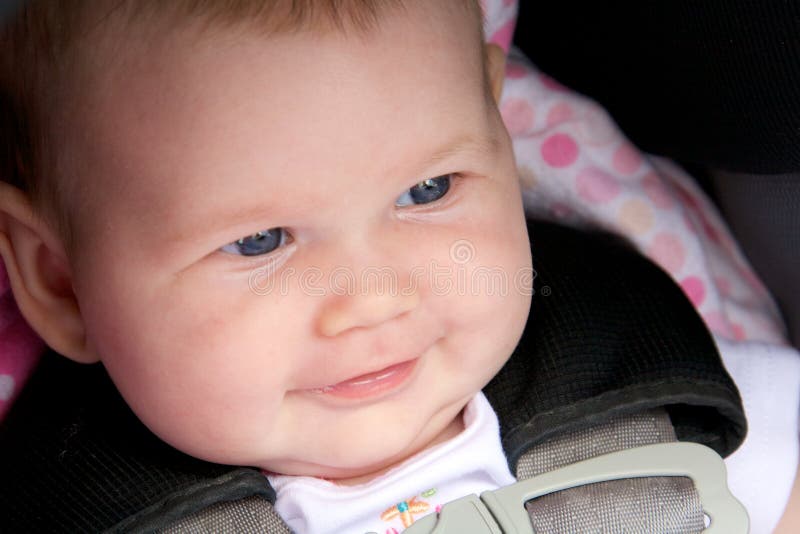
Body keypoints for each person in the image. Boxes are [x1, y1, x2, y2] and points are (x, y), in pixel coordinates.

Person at [0, 1, 795, 532]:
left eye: (427, 190)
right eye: (260, 241)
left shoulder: (634, 382)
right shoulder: (80, 500)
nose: (373, 300)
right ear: (62, 283)